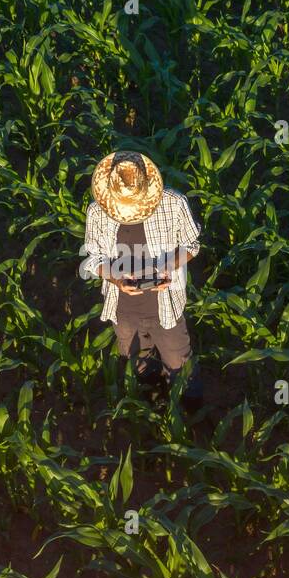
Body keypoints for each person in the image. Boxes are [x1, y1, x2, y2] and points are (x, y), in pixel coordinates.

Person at [79, 151, 204, 408]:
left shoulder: (174, 203)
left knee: (180, 363)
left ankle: (189, 416)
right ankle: (151, 401)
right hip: (123, 309)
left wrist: (170, 264)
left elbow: (193, 244)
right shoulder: (98, 211)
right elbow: (92, 258)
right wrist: (116, 279)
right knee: (138, 360)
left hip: (166, 304)